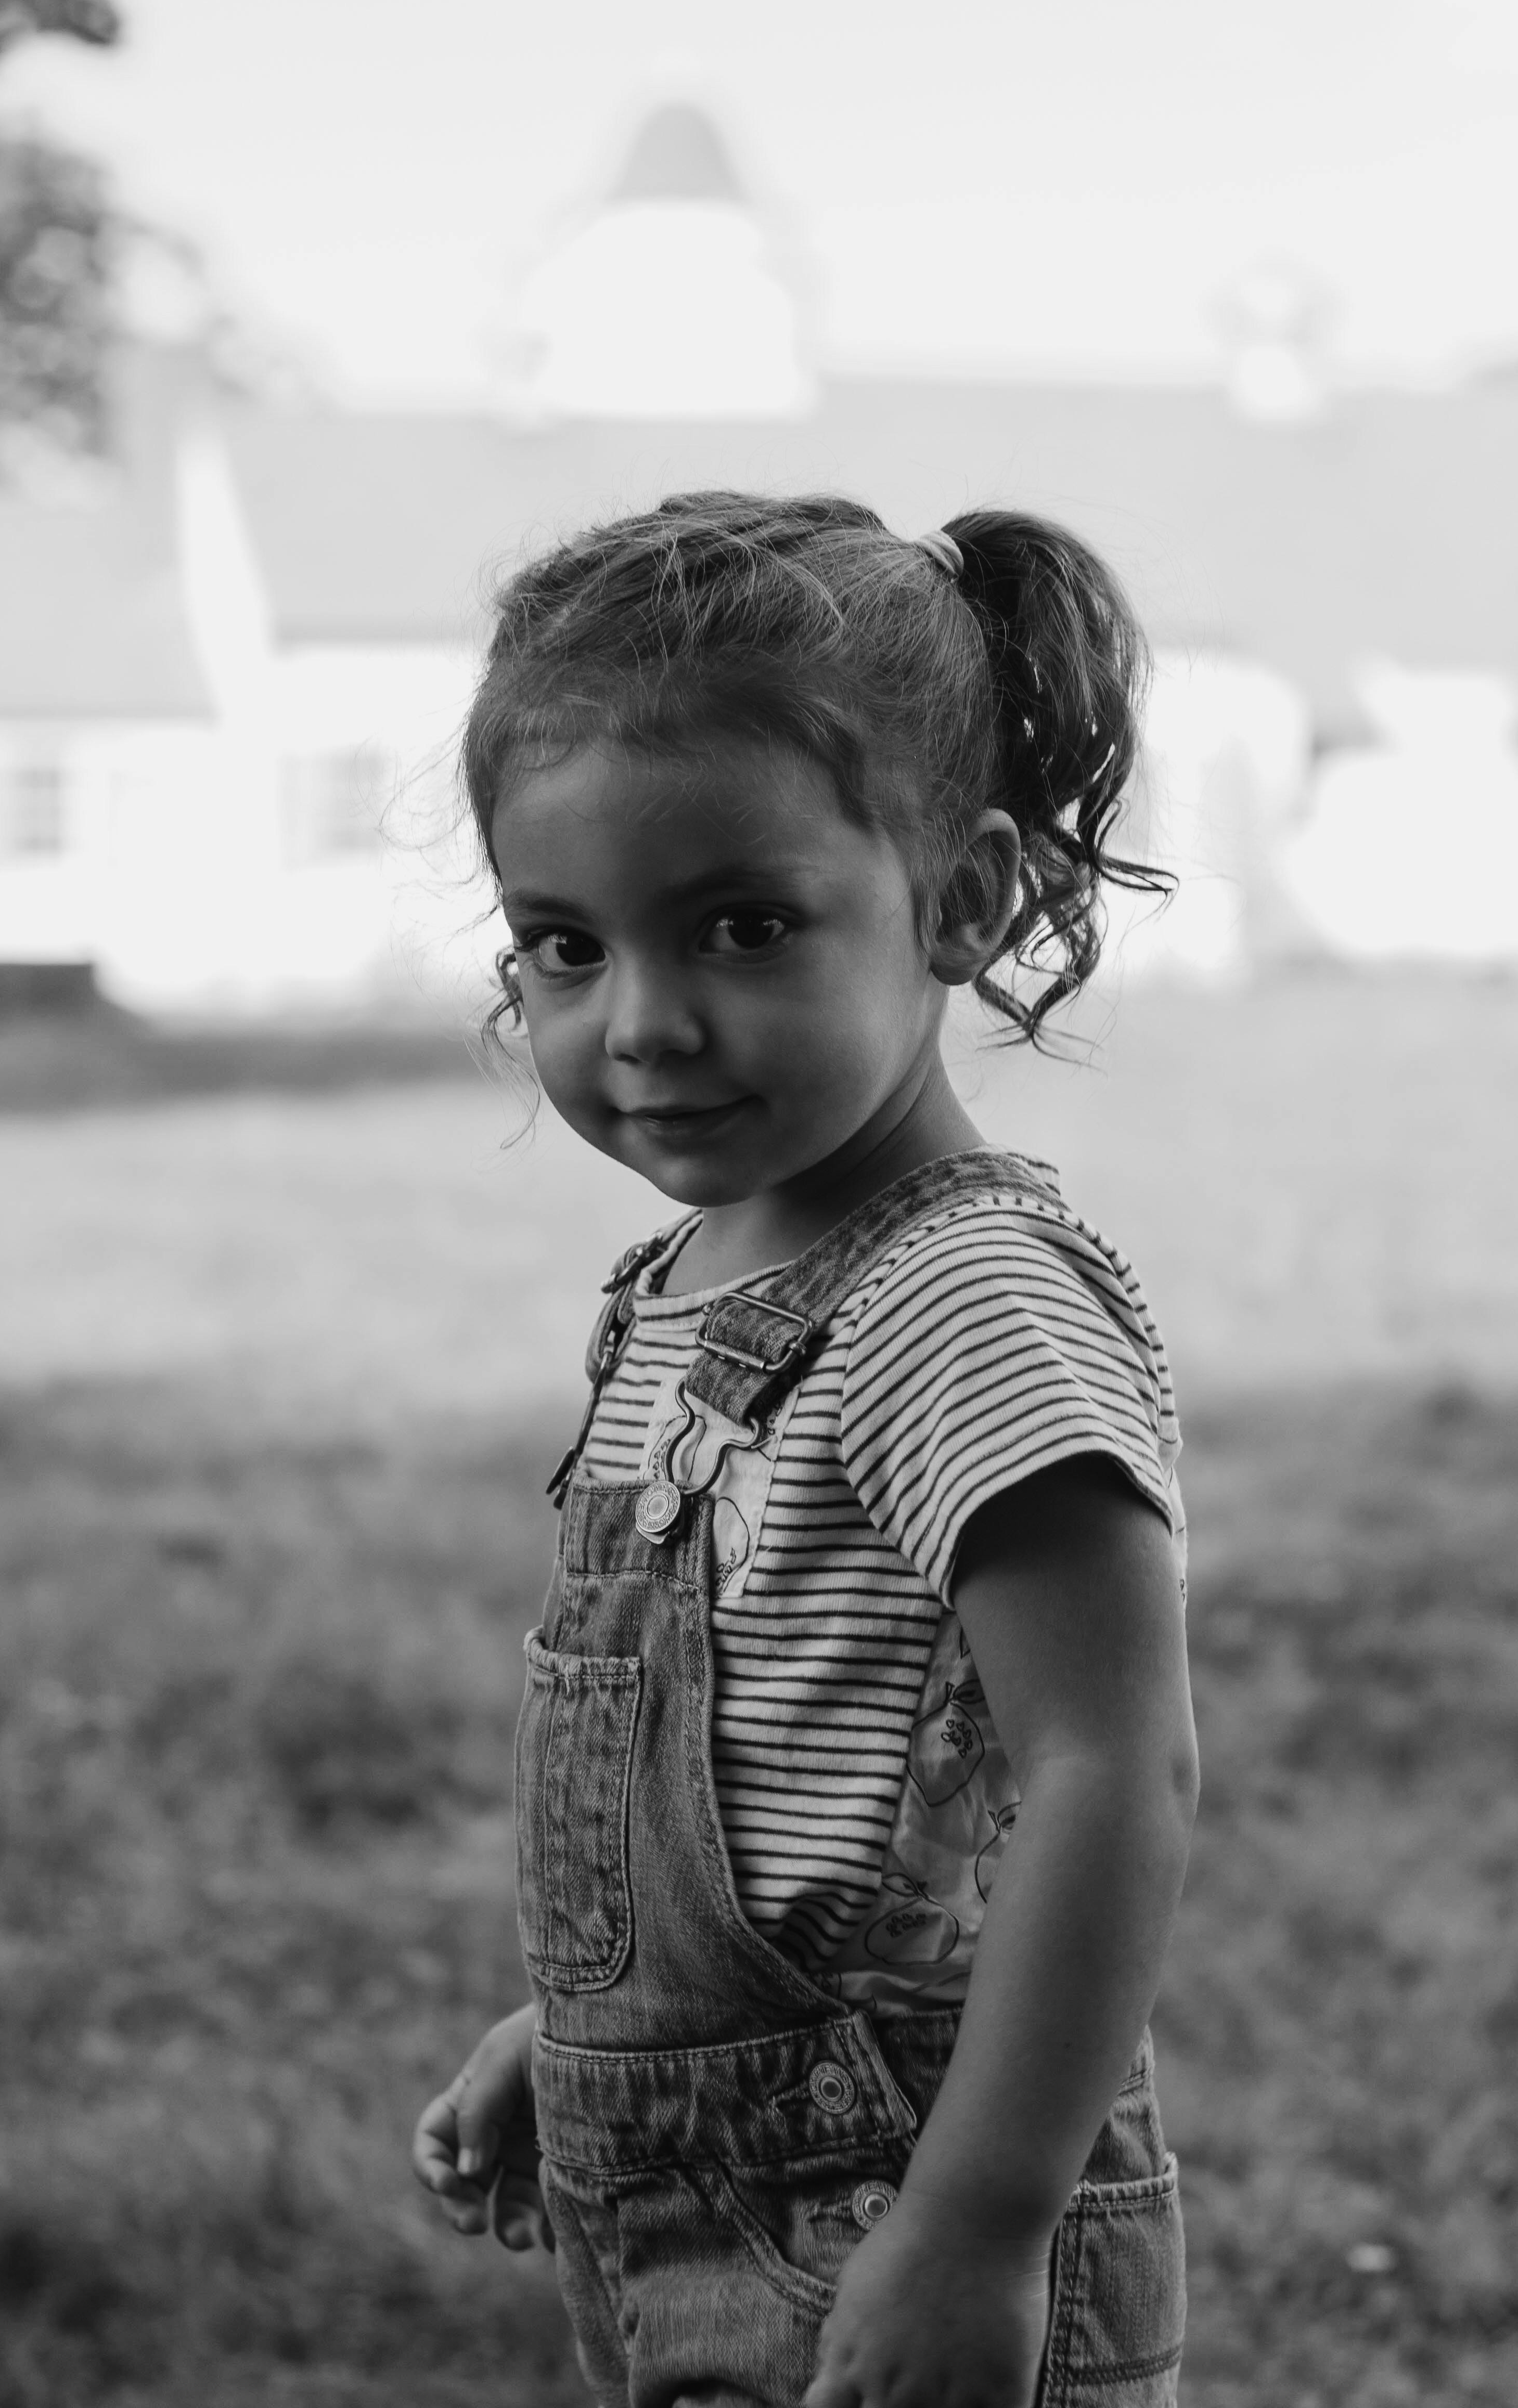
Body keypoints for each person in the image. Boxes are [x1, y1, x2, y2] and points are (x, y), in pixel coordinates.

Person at [412, 493, 1200, 2408]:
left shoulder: (962, 1302)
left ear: (965, 900)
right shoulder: (681, 1279)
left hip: (888, 2191)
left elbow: (1113, 1770)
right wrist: (603, 2025)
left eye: (745, 927)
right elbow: (805, 1781)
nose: (648, 1024)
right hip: (699, 2177)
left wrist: (981, 2221)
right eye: (565, 947)